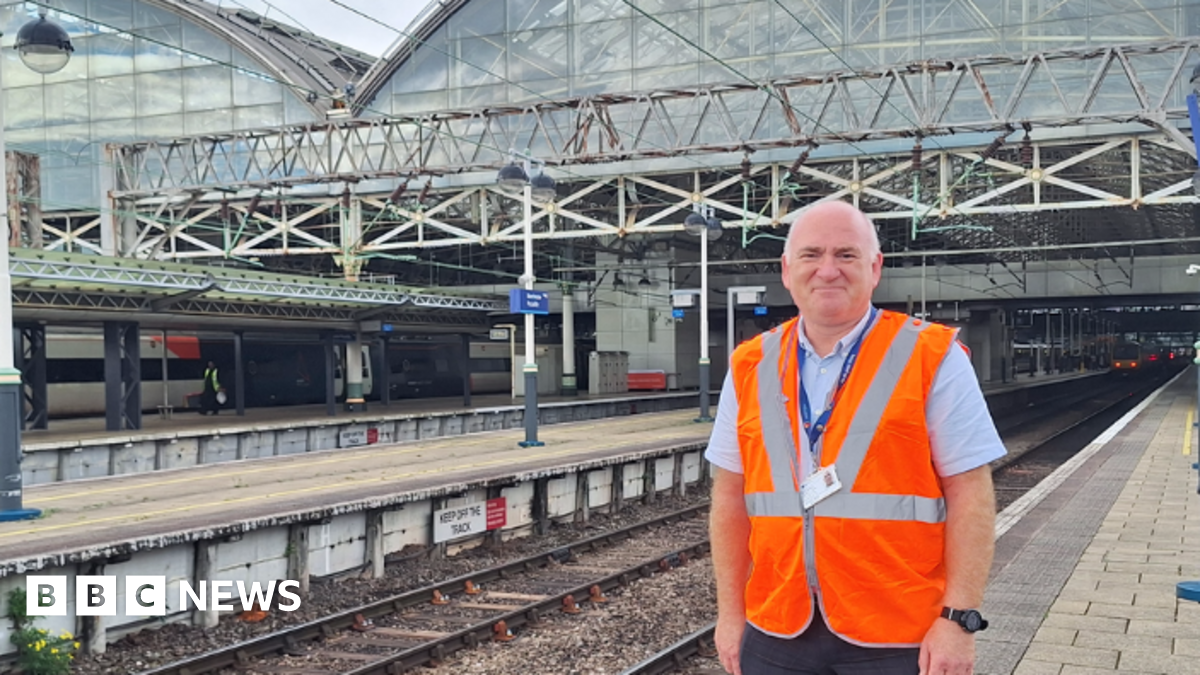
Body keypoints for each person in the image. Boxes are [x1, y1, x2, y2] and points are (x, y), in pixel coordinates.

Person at [706, 200, 1006, 675]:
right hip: (777, 627)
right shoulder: (750, 364)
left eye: (846, 254)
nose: (828, 270)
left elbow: (970, 490)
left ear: (875, 267)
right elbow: (729, 496)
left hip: (897, 631)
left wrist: (958, 620)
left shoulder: (932, 356)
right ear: (787, 270)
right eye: (811, 255)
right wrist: (729, 614)